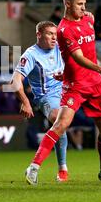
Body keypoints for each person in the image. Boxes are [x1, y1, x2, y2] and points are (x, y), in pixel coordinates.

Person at [24, 0, 101, 185]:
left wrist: (86, 12)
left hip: (95, 85)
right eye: (79, 4)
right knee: (61, 125)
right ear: (67, 3)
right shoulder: (64, 30)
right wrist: (100, 69)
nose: (83, 7)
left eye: (84, 4)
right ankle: (33, 167)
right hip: (76, 85)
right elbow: (78, 58)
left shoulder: (88, 19)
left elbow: (91, 17)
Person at [11, 21, 69, 182]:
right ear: (38, 35)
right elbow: (15, 82)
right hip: (48, 96)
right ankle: (62, 168)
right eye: (50, 34)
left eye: (55, 34)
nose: (54, 38)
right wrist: (25, 102)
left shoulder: (60, 47)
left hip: (68, 89)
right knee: (59, 120)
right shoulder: (30, 55)